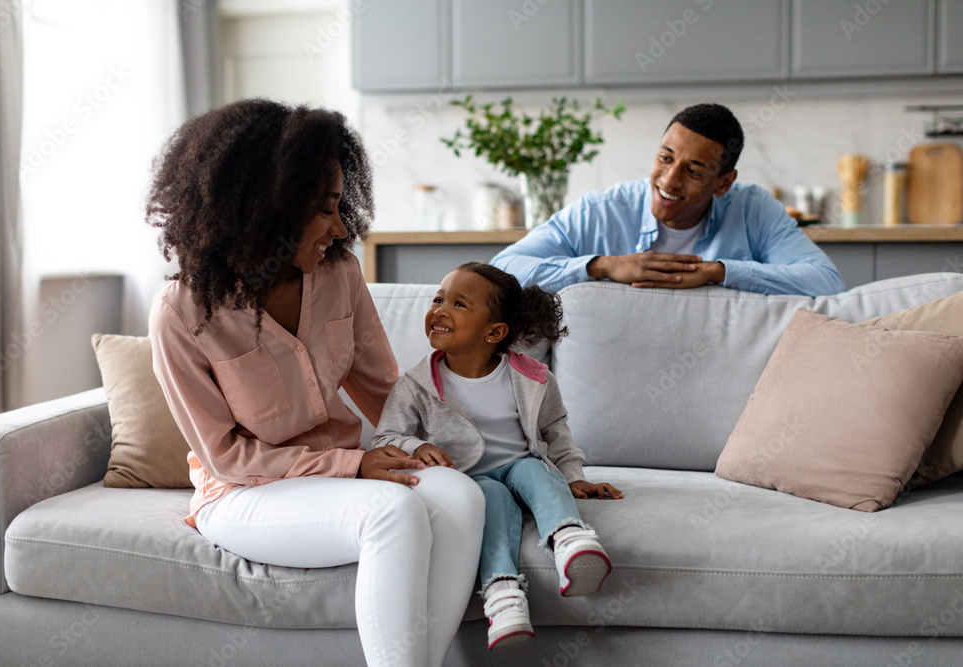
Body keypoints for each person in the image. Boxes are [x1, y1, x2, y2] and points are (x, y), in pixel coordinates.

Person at [146, 99, 485, 667]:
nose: (342, 227)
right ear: (265, 206)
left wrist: (436, 444)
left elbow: (384, 390)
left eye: (340, 205)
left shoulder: (339, 273)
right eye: (324, 209)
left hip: (337, 474)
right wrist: (353, 465)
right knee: (391, 512)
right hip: (243, 492)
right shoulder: (182, 313)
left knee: (462, 496)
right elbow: (227, 458)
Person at [372, 262, 623, 651]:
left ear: (494, 332)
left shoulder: (533, 377)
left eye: (458, 304)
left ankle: (570, 540)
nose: (440, 310)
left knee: (533, 469)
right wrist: (416, 447)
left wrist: (574, 477)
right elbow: (385, 437)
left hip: (522, 468)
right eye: (438, 299)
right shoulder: (415, 385)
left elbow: (556, 432)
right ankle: (503, 596)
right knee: (490, 495)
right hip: (469, 480)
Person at [491, 103, 845, 297]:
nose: (669, 180)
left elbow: (826, 282)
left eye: (693, 171)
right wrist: (603, 267)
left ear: (723, 183)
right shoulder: (600, 211)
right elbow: (503, 270)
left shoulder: (753, 209)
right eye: (665, 158)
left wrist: (718, 272)